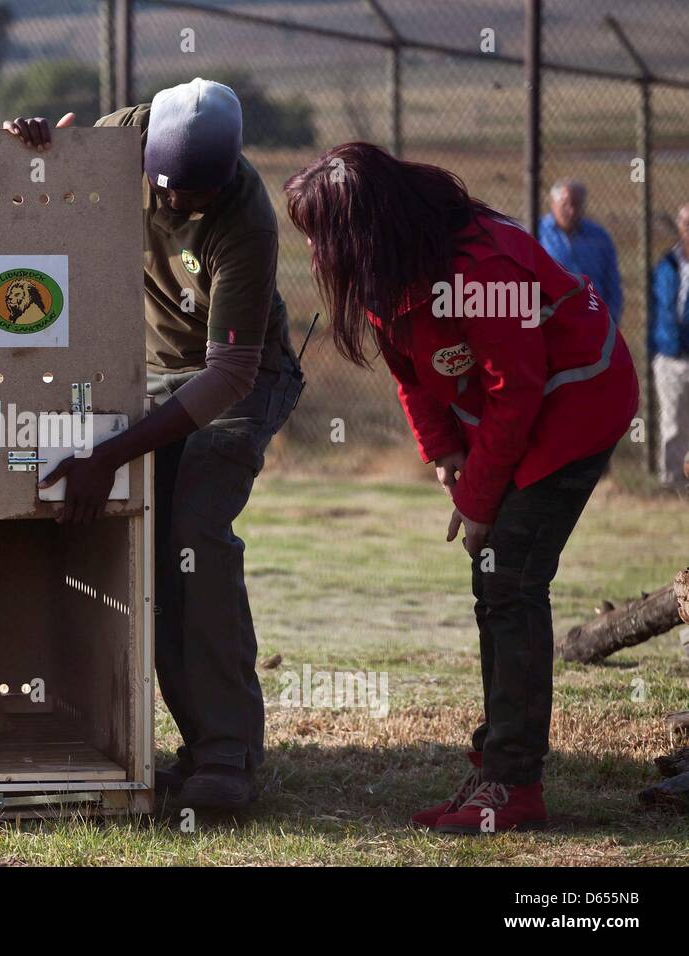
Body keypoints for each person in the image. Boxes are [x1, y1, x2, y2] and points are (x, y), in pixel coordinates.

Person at [284, 144, 637, 835]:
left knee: (508, 575)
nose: (312, 250)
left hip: (576, 406)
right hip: (522, 413)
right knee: (495, 576)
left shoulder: (481, 265)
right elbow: (413, 374)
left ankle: (514, 783)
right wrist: (444, 453)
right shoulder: (390, 269)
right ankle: (500, 762)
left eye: (317, 232)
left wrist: (478, 501)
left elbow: (519, 390)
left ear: (362, 226)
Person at [5, 79, 302, 811]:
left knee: (194, 534)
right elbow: (65, 165)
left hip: (235, 378)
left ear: (226, 175)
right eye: (166, 191)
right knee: (151, 542)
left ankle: (226, 753)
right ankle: (180, 742)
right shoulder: (129, 134)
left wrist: (111, 454)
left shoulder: (245, 223)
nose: (177, 206)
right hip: (148, 371)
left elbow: (227, 374)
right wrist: (43, 148)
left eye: (194, 195)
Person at [538, 178, 623, 324]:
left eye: (576, 205)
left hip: (590, 320)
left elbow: (612, 282)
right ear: (553, 204)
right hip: (550, 321)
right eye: (565, 205)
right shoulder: (537, 233)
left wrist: (610, 320)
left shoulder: (599, 237)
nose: (571, 211)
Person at [650, 203, 689, 490]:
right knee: (673, 423)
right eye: (686, 224)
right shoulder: (667, 264)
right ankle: (673, 482)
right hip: (670, 356)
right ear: (679, 227)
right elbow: (656, 309)